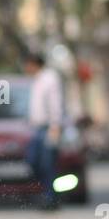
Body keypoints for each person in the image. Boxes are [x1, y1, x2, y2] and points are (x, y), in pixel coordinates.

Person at [24, 49, 63, 209]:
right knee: (33, 161)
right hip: (37, 128)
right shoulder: (37, 80)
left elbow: (55, 103)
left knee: (47, 164)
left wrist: (55, 125)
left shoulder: (49, 79)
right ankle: (46, 192)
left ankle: (50, 197)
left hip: (48, 128)